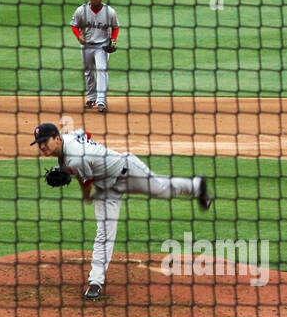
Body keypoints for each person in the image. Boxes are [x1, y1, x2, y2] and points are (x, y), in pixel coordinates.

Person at [32, 121, 214, 300]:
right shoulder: (68, 138)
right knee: (104, 232)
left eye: (45, 142)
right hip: (106, 188)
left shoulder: (76, 158)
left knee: (162, 190)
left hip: (127, 171)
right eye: (39, 143)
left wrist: (86, 196)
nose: (42, 147)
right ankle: (95, 282)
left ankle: (197, 186)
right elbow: (85, 134)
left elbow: (86, 183)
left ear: (56, 138)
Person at [70, 0, 120, 112]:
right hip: (86, 45)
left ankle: (101, 101)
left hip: (102, 46)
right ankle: (91, 97)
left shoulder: (109, 12)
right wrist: (78, 36)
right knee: (88, 72)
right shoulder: (81, 11)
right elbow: (74, 26)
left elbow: (115, 27)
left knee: (102, 71)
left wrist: (113, 40)